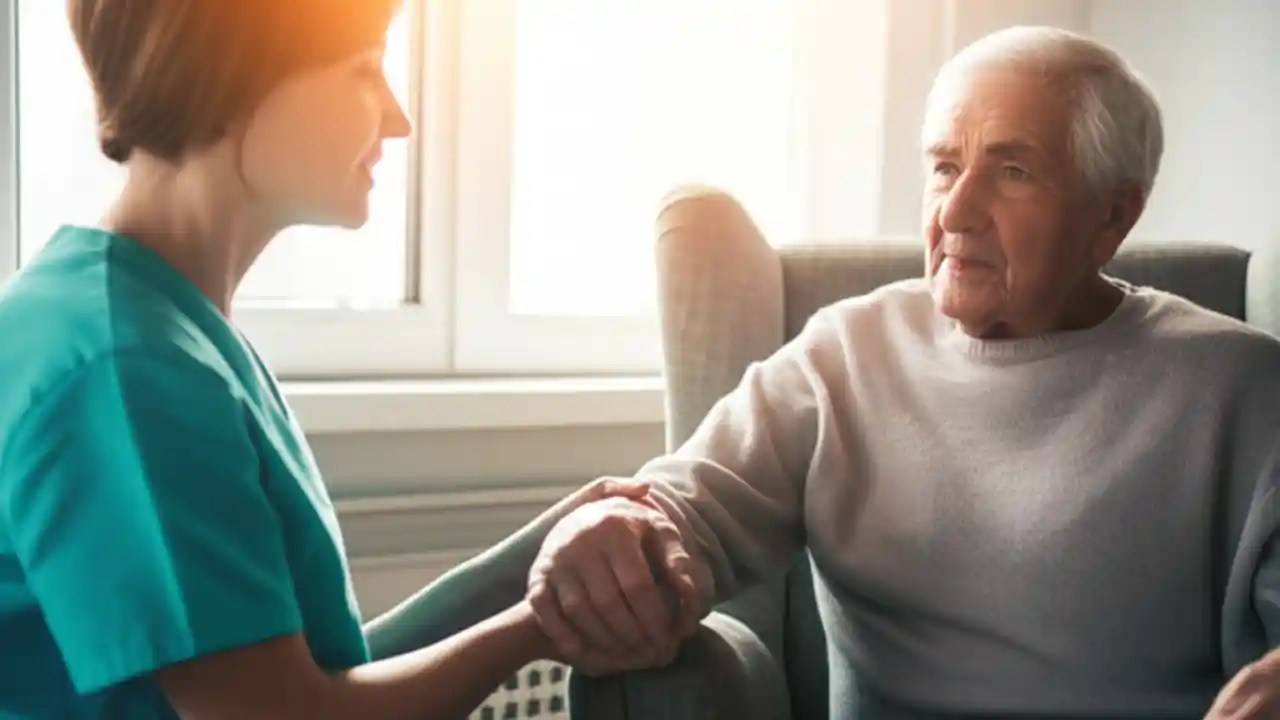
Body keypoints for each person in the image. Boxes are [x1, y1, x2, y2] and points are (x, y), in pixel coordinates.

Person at [526, 26, 1280, 717]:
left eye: (1012, 170)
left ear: (1114, 216)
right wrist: (617, 521)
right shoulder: (845, 355)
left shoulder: (1242, 388)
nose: (955, 212)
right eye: (945, 166)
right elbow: (687, 503)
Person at [0, 1, 654, 717]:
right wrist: (542, 626)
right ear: (235, 77)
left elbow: (313, 676)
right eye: (366, 71)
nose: (399, 119)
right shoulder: (126, 370)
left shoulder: (150, 324)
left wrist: (538, 559)